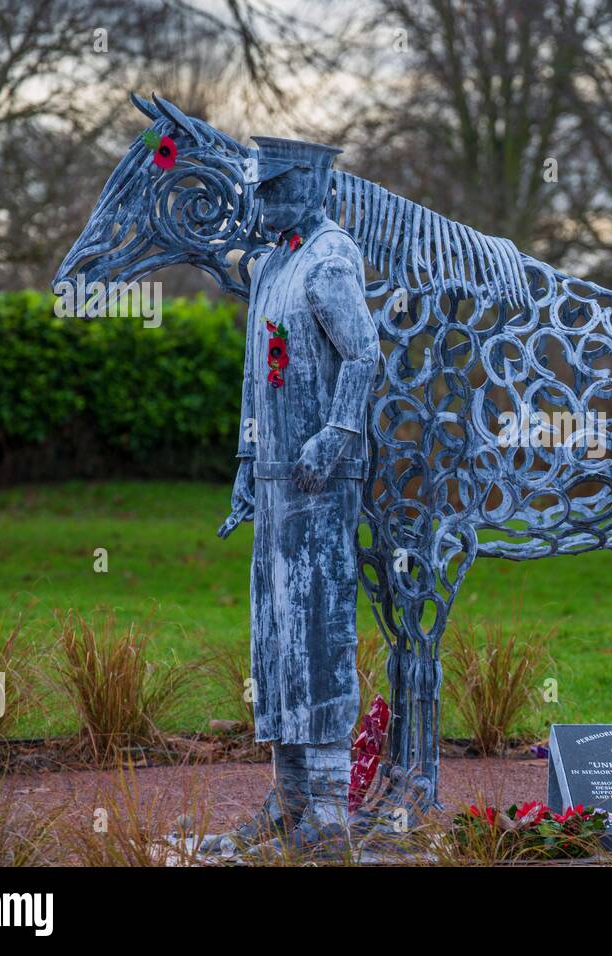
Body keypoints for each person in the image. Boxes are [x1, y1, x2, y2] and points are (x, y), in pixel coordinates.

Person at [205, 136, 378, 857]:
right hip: (275, 487)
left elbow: (364, 354)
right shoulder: (276, 261)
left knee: (318, 638)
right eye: (259, 191)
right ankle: (290, 802)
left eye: (273, 191)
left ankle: (329, 815)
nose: (262, 204)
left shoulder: (329, 258)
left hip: (320, 486)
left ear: (309, 184)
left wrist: (336, 435)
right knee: (274, 644)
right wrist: (248, 459)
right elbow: (255, 379)